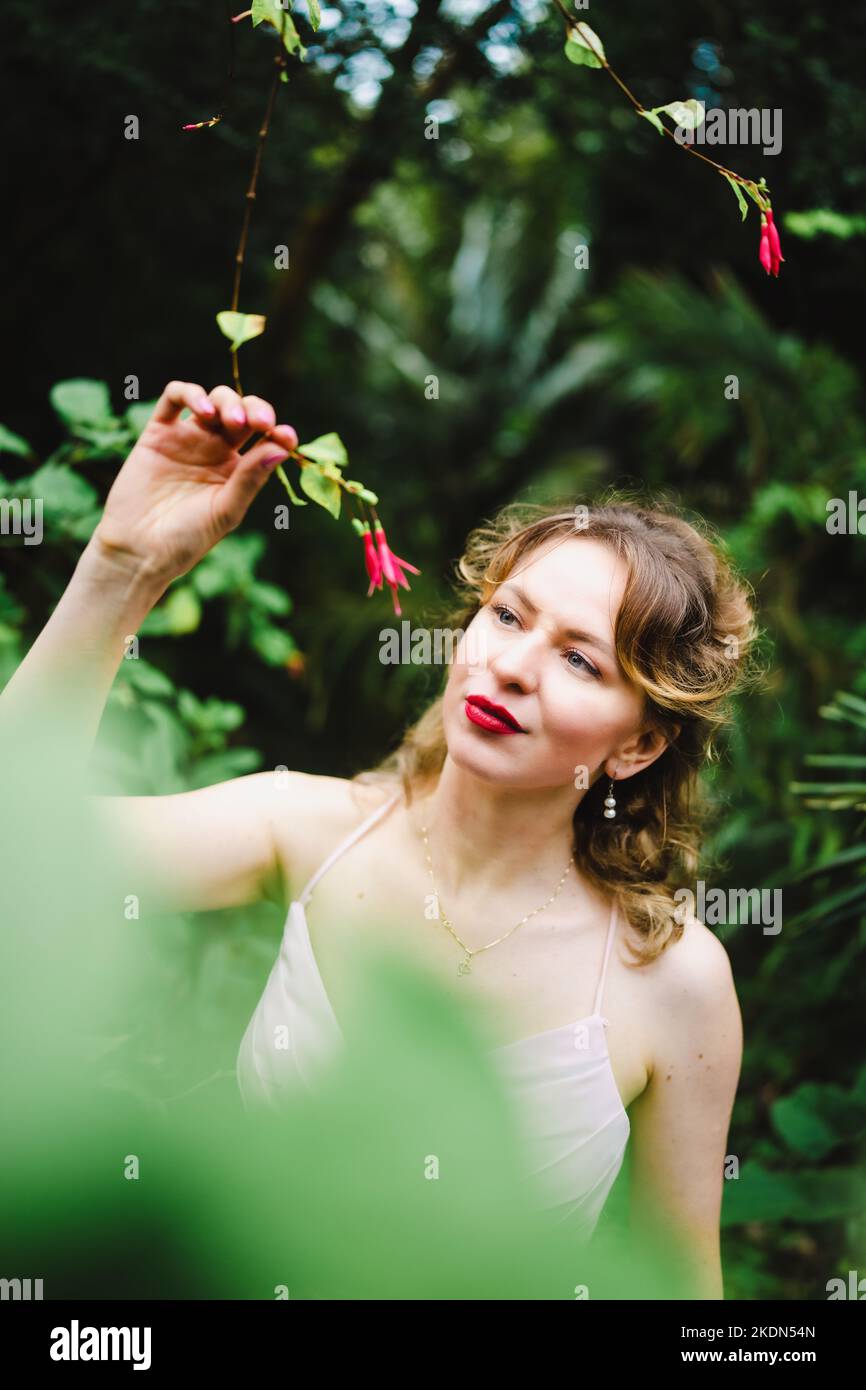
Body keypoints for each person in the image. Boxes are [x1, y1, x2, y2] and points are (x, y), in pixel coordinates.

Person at [1, 380, 753, 1298]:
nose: (509, 664)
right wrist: (123, 568)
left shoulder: (674, 982)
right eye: (508, 615)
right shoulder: (307, 831)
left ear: (639, 743)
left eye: (578, 658)